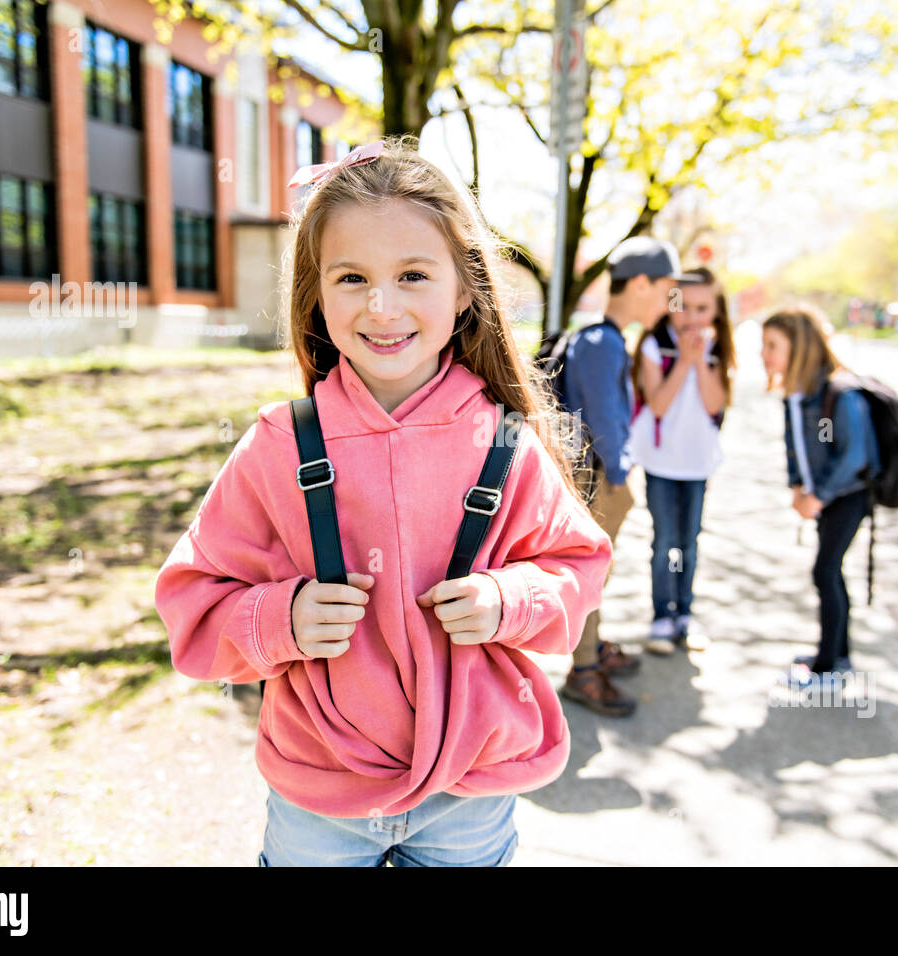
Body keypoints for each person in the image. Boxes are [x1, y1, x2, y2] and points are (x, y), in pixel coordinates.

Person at [153, 136, 613, 867]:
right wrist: (281, 618)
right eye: (352, 277)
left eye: (412, 274)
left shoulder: (505, 441)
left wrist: (510, 598)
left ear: (465, 290)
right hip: (319, 799)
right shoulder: (279, 444)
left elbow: (577, 567)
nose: (382, 304)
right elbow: (192, 601)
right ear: (315, 291)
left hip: (470, 791)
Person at [558, 236, 695, 717]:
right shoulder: (603, 342)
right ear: (639, 284)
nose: (669, 301)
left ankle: (592, 649)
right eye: (665, 290)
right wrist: (619, 476)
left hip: (596, 474)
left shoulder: (603, 338)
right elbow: (608, 421)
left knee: (596, 572)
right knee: (591, 573)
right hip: (598, 478)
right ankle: (584, 669)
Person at [760, 304, 881, 689]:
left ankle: (830, 668)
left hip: (848, 496)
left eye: (772, 345)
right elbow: (795, 445)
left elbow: (854, 454)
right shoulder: (797, 395)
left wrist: (819, 494)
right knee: (830, 573)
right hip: (826, 497)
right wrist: (797, 486)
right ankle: (837, 656)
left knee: (825, 571)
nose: (764, 355)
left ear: (800, 347)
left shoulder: (837, 392)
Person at [630, 266, 736, 654]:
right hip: (661, 461)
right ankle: (661, 615)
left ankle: (684, 614)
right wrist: (685, 361)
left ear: (716, 311)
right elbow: (658, 404)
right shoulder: (654, 346)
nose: (692, 317)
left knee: (689, 542)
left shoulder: (719, 349)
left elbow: (713, 405)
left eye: (702, 308)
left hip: (697, 462)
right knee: (664, 542)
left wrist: (701, 359)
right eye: (683, 306)